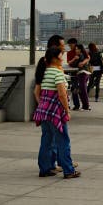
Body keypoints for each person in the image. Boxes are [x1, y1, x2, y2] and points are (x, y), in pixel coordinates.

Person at [32, 47, 79, 178]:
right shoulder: (57, 73)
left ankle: (45, 168)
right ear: (55, 58)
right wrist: (67, 110)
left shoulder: (44, 72)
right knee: (63, 141)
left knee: (46, 141)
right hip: (55, 112)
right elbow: (62, 94)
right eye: (61, 56)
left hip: (43, 112)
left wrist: (42, 104)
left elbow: (38, 92)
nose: (62, 58)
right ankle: (69, 170)